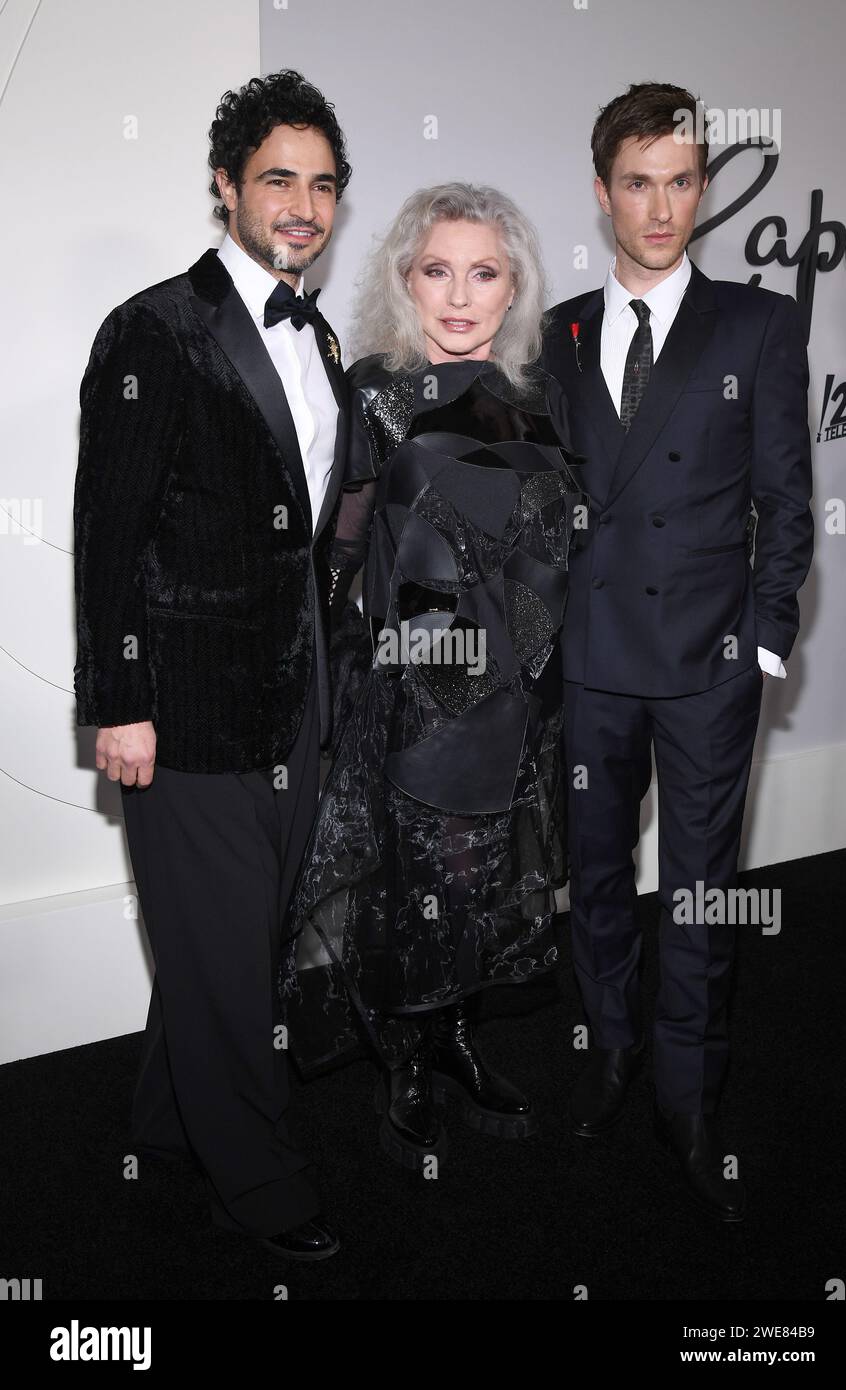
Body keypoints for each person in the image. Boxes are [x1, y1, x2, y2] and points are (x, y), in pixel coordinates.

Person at [72, 69, 352, 1260]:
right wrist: (118, 704)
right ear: (226, 188)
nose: (303, 206)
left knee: (230, 937)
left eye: (323, 185)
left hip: (297, 696)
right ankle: (261, 1181)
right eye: (278, 179)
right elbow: (109, 535)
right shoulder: (154, 330)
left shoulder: (319, 331)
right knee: (233, 954)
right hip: (184, 706)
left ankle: (169, 1120)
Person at [543, 82, 813, 1220]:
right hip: (590, 663)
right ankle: (611, 1050)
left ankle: (688, 1097)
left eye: (681, 182)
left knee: (701, 895)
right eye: (638, 183)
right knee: (597, 876)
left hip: (707, 667)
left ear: (703, 188)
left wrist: (763, 640)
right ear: (602, 190)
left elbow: (786, 502)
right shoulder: (557, 332)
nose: (660, 209)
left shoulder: (755, 324)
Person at [278, 183, 586, 1169]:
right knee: (412, 882)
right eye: (435, 271)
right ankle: (404, 1061)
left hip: (522, 695)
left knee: (480, 883)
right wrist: (335, 686)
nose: (458, 295)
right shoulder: (375, 389)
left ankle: (454, 1034)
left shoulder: (539, 398)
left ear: (513, 288)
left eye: (482, 273)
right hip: (416, 693)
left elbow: (563, 544)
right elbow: (338, 554)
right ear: (404, 281)